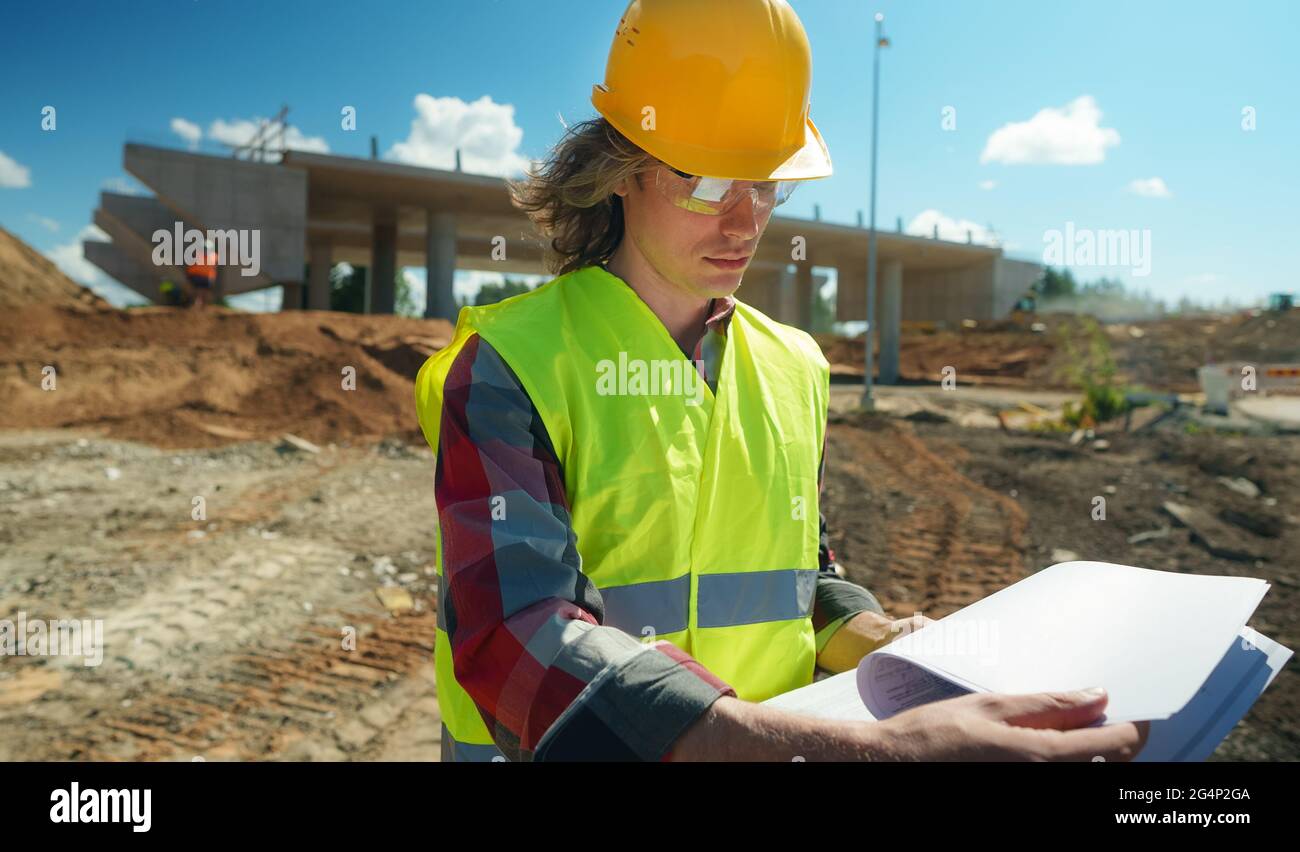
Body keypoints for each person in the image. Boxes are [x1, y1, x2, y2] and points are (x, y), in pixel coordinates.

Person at [413, 0, 1149, 762]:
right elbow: (516, 636)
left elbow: (799, 576)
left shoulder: (793, 366)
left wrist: (881, 642)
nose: (744, 222)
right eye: (706, 181)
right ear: (620, 169)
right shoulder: (512, 364)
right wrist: (866, 750)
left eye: (765, 184)